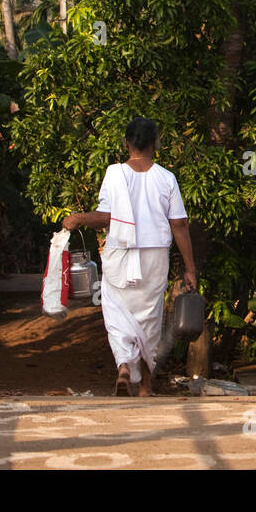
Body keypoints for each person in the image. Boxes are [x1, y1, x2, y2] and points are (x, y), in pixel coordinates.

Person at [62, 118, 197, 397]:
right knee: (149, 318)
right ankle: (145, 387)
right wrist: (190, 268)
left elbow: (105, 218)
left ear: (127, 143)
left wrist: (79, 218)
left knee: (116, 312)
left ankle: (124, 365)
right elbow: (180, 225)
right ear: (155, 144)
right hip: (155, 256)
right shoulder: (166, 178)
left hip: (120, 254)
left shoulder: (114, 174)